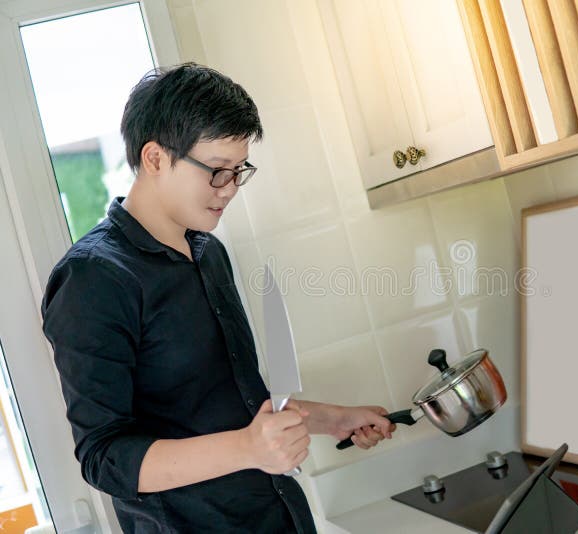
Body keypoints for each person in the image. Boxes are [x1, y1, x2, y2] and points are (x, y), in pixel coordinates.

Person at [41, 63, 394, 533]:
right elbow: (105, 458)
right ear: (155, 158)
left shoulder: (207, 250)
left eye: (238, 171)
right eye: (216, 171)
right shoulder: (93, 279)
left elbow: (227, 401)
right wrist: (249, 449)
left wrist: (333, 420)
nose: (229, 190)